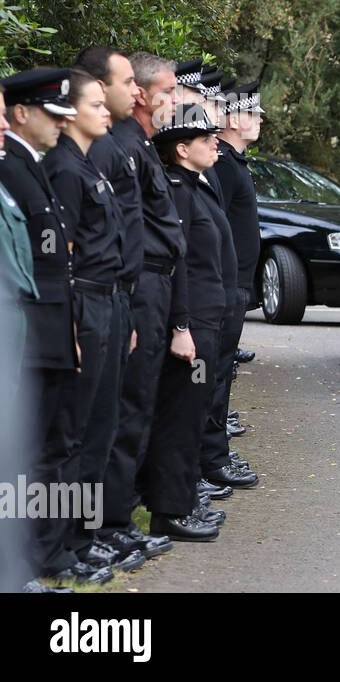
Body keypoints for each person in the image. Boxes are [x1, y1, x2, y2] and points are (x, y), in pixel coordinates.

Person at [0, 69, 107, 584]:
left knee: (57, 444)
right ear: (22, 113)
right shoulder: (11, 169)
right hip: (31, 340)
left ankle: (51, 550)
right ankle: (30, 559)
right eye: (52, 114)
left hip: (52, 335)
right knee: (33, 452)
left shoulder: (31, 165)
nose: (60, 124)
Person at [41, 68, 143, 572]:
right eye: (96, 105)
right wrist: (79, 322)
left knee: (100, 427)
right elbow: (67, 253)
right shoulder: (64, 168)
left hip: (109, 301)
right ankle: (67, 546)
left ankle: (86, 537)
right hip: (86, 302)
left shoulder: (89, 165)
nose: (107, 112)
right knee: (77, 432)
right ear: (70, 113)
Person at [105, 53, 188, 553]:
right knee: (129, 406)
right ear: (141, 93)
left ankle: (120, 514)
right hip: (138, 288)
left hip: (154, 287)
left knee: (140, 404)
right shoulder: (124, 149)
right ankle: (111, 521)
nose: (175, 100)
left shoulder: (141, 147)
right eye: (170, 91)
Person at [142, 104, 228, 541]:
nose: (216, 143)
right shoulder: (177, 189)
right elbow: (174, 262)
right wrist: (181, 326)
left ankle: (183, 501)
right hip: (191, 325)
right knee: (180, 416)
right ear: (181, 149)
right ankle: (170, 512)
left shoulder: (193, 186)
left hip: (206, 320)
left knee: (193, 412)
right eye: (205, 139)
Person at [202, 80, 264, 487]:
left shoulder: (232, 161)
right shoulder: (222, 162)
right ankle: (211, 458)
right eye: (253, 113)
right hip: (225, 284)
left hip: (235, 283)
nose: (259, 119)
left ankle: (214, 453)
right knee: (214, 376)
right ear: (233, 118)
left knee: (221, 375)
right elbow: (210, 226)